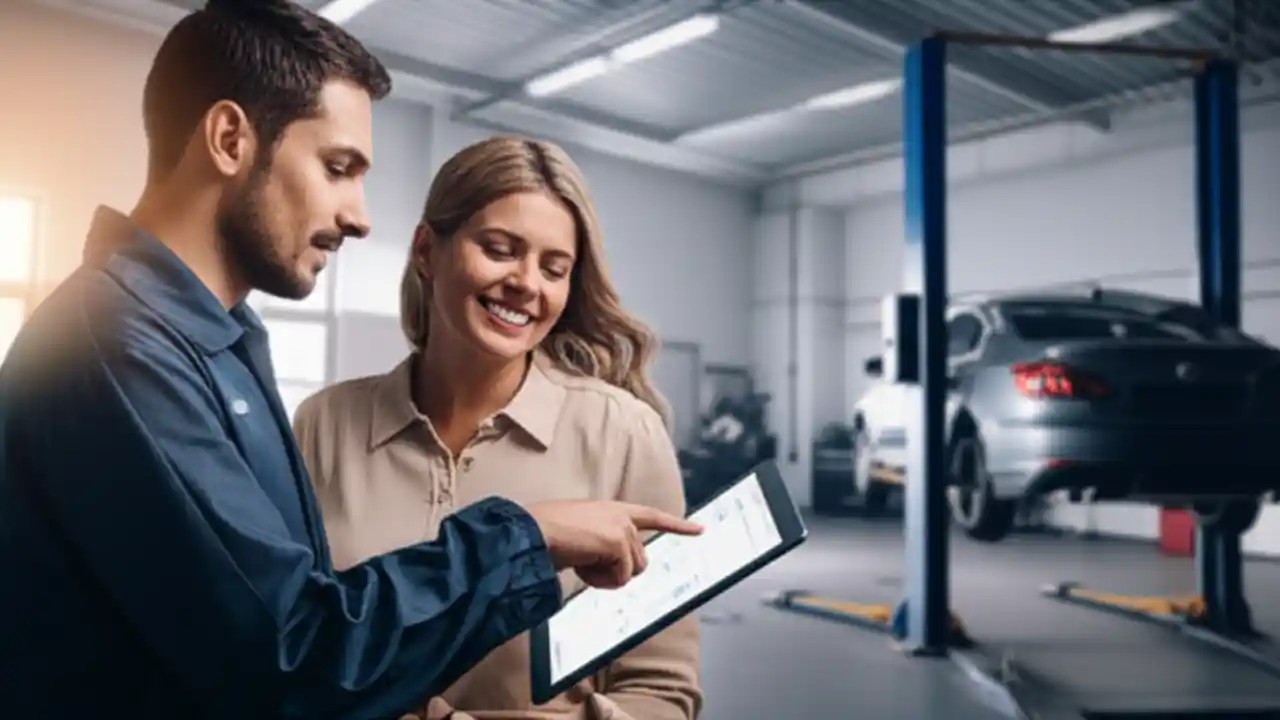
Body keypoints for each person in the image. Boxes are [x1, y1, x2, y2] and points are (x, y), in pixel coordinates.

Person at [0, 2, 699, 718]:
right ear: (230, 138)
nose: (362, 217)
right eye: (338, 168)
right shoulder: (118, 347)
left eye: (556, 265)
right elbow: (294, 655)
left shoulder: (219, 343)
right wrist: (530, 534)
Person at [292, 136, 702, 720]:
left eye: (554, 269)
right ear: (427, 250)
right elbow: (295, 653)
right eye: (500, 249)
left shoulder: (625, 435)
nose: (527, 283)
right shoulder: (323, 425)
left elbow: (662, 694)